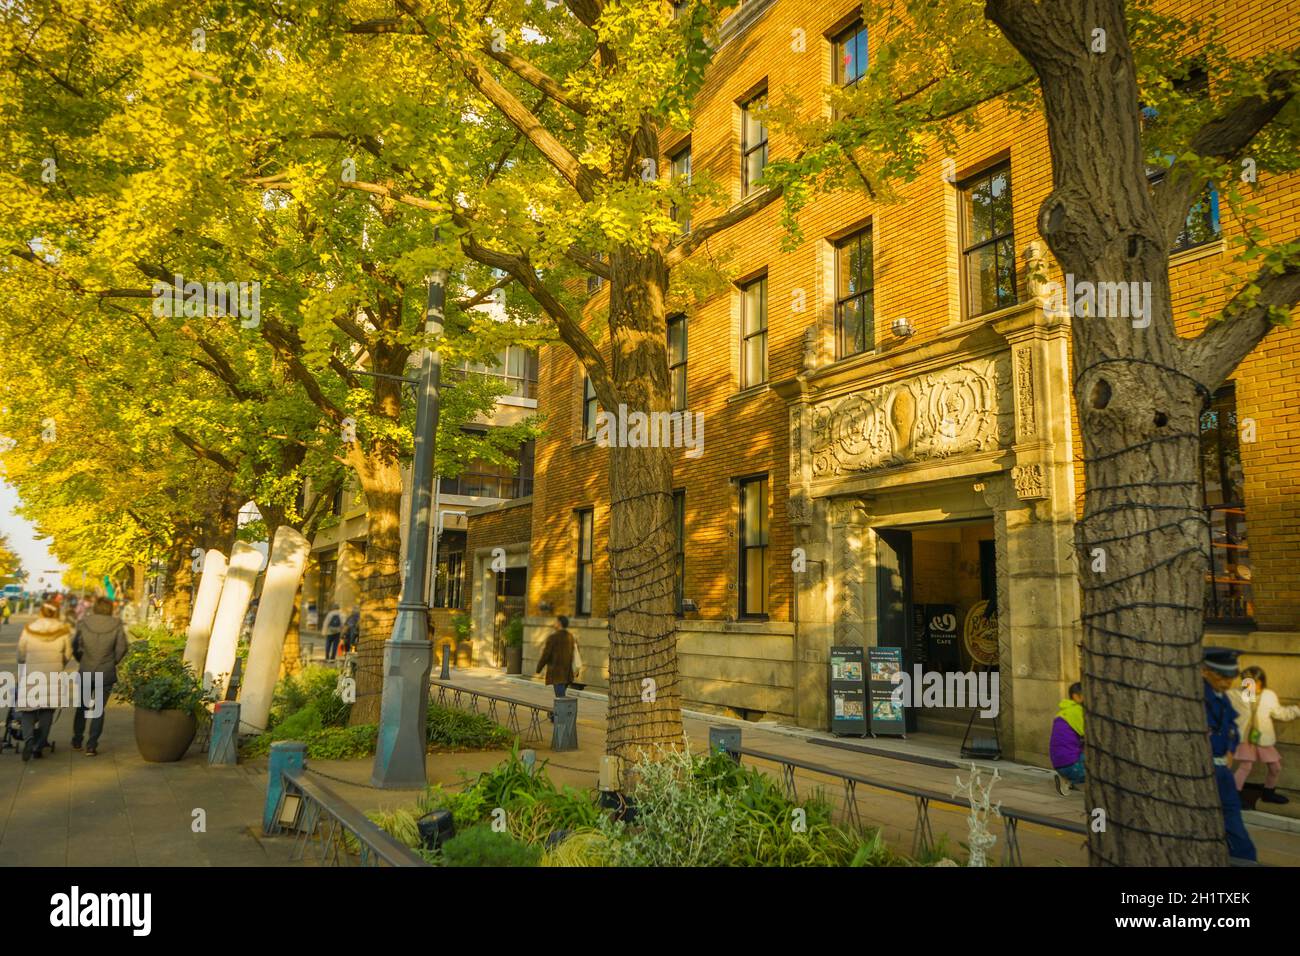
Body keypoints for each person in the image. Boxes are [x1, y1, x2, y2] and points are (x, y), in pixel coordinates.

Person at [1203, 646, 1257, 862]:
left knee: (1232, 817)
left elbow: (1232, 727)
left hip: (1222, 769)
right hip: (1207, 770)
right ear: (1205, 671)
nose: (1227, 682)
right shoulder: (1203, 697)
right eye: (1222, 676)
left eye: (1231, 677)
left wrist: (1231, 750)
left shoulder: (1223, 697)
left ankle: (1245, 859)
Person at [1232, 665, 1299, 804]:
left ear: (1261, 682)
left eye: (1255, 683)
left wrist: (1296, 710)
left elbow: (1279, 712)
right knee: (1246, 766)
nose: (1251, 686)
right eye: (1247, 683)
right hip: (1245, 738)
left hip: (1263, 738)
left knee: (1276, 767)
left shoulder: (1268, 695)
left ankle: (1268, 793)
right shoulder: (1236, 695)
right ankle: (1234, 795)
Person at [70, 597, 129, 756]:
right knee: (98, 709)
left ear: (95, 608)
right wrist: (113, 661)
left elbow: (75, 645)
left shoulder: (84, 623)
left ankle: (77, 739)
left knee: (82, 706)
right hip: (106, 670)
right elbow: (122, 647)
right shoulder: (116, 625)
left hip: (87, 669)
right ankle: (91, 745)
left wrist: (81, 659)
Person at [16, 603, 74, 762]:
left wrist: (24, 664)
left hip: (31, 675)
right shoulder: (63, 630)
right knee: (47, 710)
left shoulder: (29, 629)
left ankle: (28, 739)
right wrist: (60, 664)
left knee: (27, 710)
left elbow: (21, 653)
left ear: (41, 612)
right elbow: (68, 654)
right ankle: (39, 745)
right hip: (52, 675)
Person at [535, 616, 576, 719]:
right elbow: (574, 654)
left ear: (559, 623)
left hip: (557, 673)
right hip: (567, 673)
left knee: (561, 698)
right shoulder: (571, 636)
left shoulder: (553, 637)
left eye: (555, 622)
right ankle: (554, 715)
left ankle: (559, 717)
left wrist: (539, 668)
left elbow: (546, 654)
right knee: (560, 696)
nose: (554, 623)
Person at [1050, 682, 1086, 795]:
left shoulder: (1063, 712)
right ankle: (1071, 779)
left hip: (1059, 763)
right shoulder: (1076, 712)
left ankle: (1067, 780)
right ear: (1076, 696)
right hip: (1071, 764)